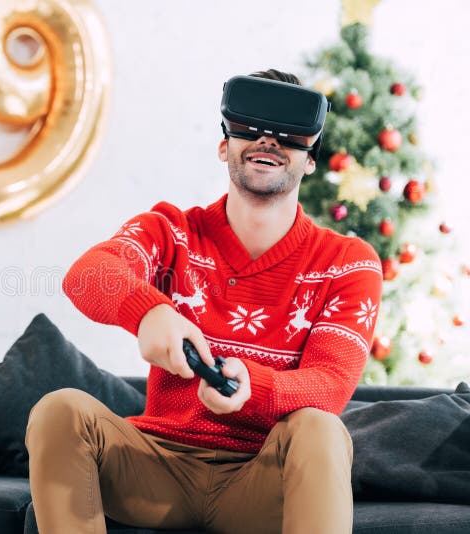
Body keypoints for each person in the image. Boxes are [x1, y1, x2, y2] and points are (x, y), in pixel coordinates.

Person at [24, 69, 383, 534]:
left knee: (321, 428)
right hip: (155, 469)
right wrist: (150, 311)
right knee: (60, 410)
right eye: (250, 129)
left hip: (263, 480)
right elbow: (87, 274)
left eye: (287, 135)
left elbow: (331, 384)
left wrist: (254, 387)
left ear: (310, 159)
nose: (268, 141)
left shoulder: (347, 262)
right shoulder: (171, 231)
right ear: (223, 147)